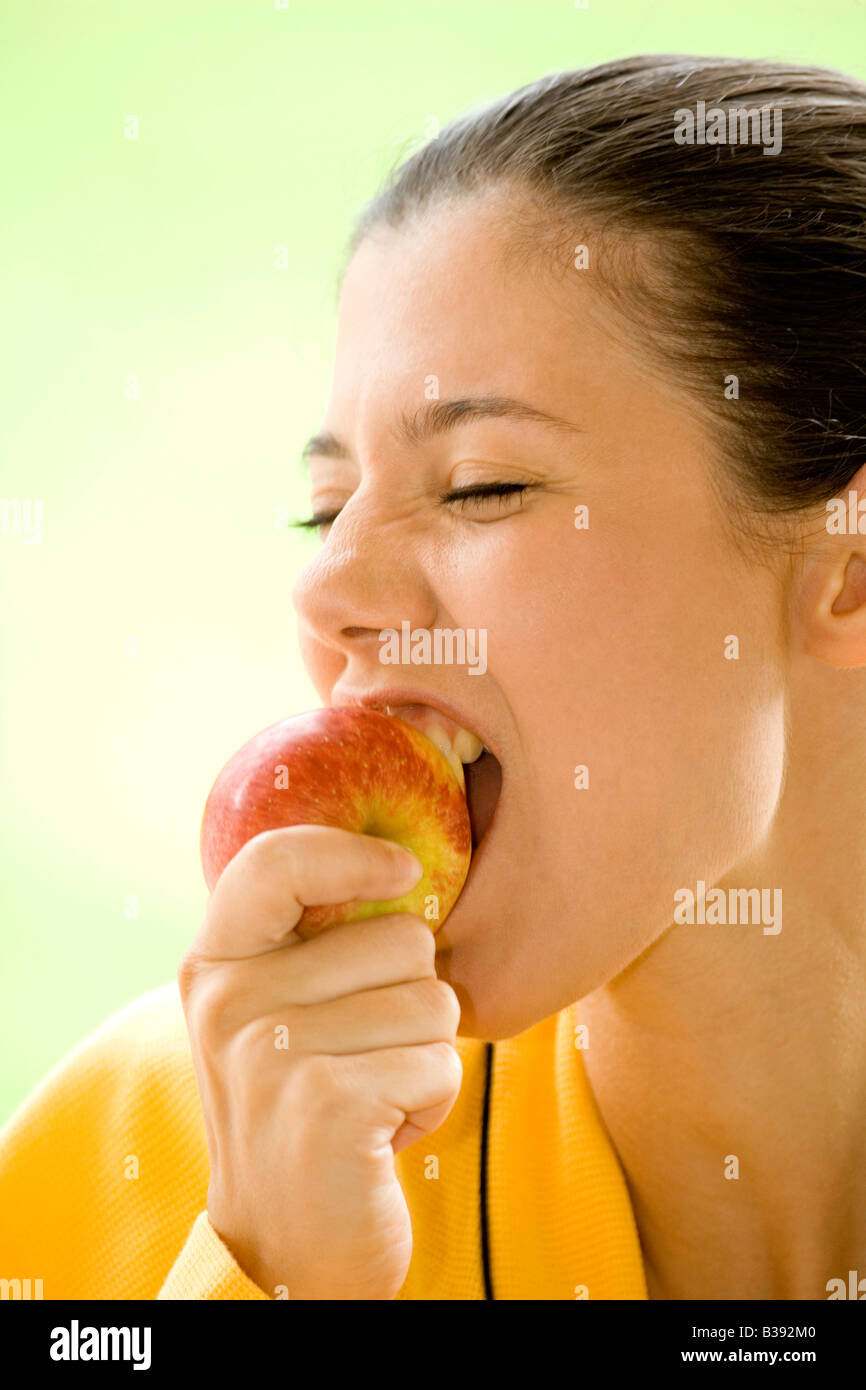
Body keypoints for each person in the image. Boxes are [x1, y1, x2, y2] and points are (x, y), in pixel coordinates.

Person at [2, 53, 866, 1300]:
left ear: (844, 571)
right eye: (325, 508)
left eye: (480, 486)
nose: (323, 589)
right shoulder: (145, 1151)